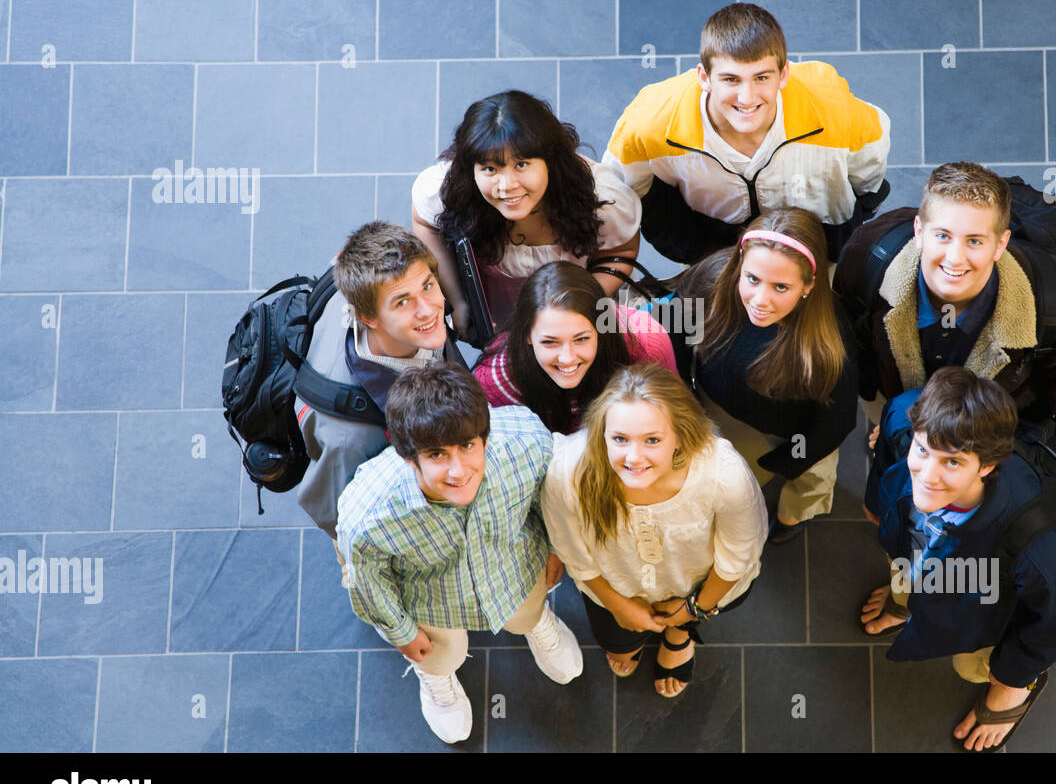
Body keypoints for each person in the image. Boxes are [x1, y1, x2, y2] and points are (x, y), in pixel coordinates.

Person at [336, 363, 583, 745]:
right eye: (436, 454)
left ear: (484, 436)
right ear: (408, 457)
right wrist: (401, 630)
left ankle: (537, 623)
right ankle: (437, 679)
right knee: (441, 655)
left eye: (468, 446)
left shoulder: (527, 442)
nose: (458, 471)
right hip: (432, 598)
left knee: (526, 612)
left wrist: (555, 548)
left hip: (514, 566)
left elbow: (549, 496)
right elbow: (366, 578)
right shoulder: (369, 514)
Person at [859, 368, 1056, 752]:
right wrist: (875, 503)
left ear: (987, 466)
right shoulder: (907, 415)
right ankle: (905, 603)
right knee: (904, 575)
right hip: (914, 555)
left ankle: (1021, 688)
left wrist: (1010, 681)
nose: (927, 476)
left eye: (953, 462)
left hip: (979, 607)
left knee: (969, 666)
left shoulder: (1039, 553)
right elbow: (889, 446)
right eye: (922, 451)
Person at [602, 2, 890, 264]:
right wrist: (698, 252)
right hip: (714, 253)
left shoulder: (838, 112)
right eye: (731, 79)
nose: (747, 98)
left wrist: (836, 243)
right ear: (704, 77)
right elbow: (621, 196)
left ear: (784, 74)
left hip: (816, 254)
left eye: (762, 77)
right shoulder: (648, 123)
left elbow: (870, 187)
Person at [541, 364, 765, 697]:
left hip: (698, 587)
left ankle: (679, 636)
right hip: (614, 587)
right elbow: (573, 553)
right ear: (601, 434)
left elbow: (737, 556)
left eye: (652, 440)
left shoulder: (723, 473)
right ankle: (639, 637)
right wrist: (618, 605)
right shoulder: (567, 471)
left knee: (682, 624)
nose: (633, 458)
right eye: (619, 439)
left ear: (679, 436)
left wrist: (691, 610)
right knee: (617, 641)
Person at [834, 161, 1056, 423]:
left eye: (974, 241)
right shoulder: (867, 254)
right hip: (892, 402)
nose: (955, 259)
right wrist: (887, 417)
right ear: (919, 231)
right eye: (943, 236)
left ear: (1000, 244)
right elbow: (850, 338)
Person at [295, 221, 466, 580]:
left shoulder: (386, 290)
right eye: (403, 302)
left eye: (428, 286)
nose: (430, 310)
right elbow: (335, 511)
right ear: (367, 317)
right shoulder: (350, 438)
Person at [411, 90, 641, 334]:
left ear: (549, 160)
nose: (507, 186)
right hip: (501, 312)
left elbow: (621, 252)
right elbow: (425, 223)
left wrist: (572, 310)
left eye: (521, 165)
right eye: (490, 168)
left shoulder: (600, 197)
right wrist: (458, 301)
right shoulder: (449, 190)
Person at [693, 207, 858, 544]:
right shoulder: (710, 284)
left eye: (781, 287)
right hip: (725, 411)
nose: (760, 300)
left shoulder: (828, 347)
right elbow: (675, 332)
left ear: (809, 285)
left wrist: (785, 461)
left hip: (795, 434)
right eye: (752, 279)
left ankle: (792, 516)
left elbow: (835, 423)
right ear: (739, 263)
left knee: (810, 478)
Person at [472, 261, 678, 433]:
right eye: (550, 342)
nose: (567, 358)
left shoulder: (645, 342)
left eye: (581, 339)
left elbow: (674, 420)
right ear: (527, 336)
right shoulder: (494, 381)